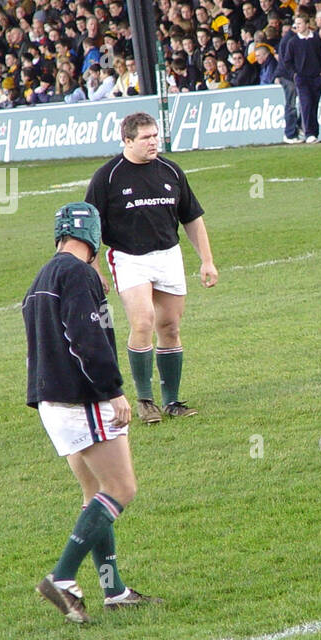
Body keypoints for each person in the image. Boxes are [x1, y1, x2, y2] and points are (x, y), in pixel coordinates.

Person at [25, 203, 161, 621]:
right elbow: (86, 338)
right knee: (121, 489)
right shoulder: (79, 274)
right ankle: (62, 577)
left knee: (95, 495)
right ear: (94, 236)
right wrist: (113, 391)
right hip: (81, 398)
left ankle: (113, 589)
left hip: (51, 402)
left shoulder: (42, 276)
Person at [85, 112, 218, 425]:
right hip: (129, 258)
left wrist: (207, 260)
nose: (153, 142)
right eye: (145, 137)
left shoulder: (171, 170)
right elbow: (90, 225)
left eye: (155, 135)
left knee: (170, 326)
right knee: (143, 321)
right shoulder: (108, 176)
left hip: (168, 255)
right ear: (127, 141)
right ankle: (145, 400)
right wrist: (93, 268)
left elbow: (192, 217)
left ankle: (171, 400)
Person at [278, 14, 321, 143]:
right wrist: (295, 73)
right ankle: (309, 133)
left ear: (306, 24)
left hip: (316, 77)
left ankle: (313, 133)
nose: (297, 26)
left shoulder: (315, 38)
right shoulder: (293, 42)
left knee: (314, 105)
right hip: (302, 78)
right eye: (296, 24)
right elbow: (287, 61)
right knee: (306, 104)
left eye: (300, 24)